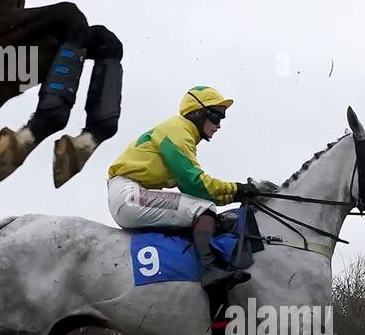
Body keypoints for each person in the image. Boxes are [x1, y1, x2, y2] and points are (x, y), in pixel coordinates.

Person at [106, 85, 278, 286]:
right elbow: (195, 184)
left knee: (200, 207)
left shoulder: (181, 132)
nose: (219, 124)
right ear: (197, 112)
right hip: (129, 195)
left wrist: (235, 194)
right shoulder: (178, 130)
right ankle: (209, 270)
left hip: (129, 192)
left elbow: (195, 188)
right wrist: (236, 190)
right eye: (216, 116)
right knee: (202, 208)